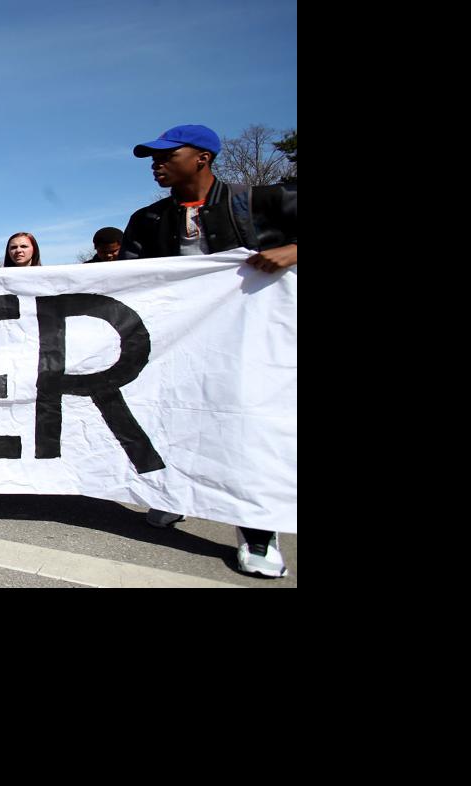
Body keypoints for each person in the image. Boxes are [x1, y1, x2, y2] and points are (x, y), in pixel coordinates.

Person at [120, 124, 297, 578]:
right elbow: (124, 281)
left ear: (202, 157)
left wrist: (293, 250)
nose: (156, 164)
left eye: (166, 155)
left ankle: (258, 532)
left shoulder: (260, 201)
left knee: (245, 431)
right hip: (174, 343)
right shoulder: (148, 219)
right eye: (153, 158)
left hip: (248, 345)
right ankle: (174, 495)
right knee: (169, 418)